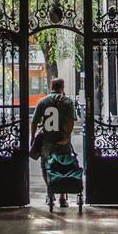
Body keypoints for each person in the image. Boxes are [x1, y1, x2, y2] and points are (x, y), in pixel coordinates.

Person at [31, 77, 75, 207]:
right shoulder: (68, 102)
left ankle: (50, 194)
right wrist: (67, 136)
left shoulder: (42, 102)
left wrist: (33, 136)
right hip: (63, 141)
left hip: (47, 141)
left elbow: (34, 121)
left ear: (51, 87)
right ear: (62, 87)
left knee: (45, 165)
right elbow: (71, 121)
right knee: (63, 167)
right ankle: (62, 197)